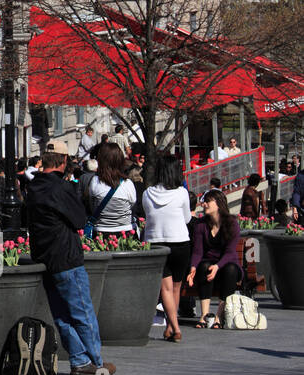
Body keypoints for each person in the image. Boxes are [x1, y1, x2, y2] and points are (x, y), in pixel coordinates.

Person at [25, 146, 116, 375]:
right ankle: (95, 361)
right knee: (82, 312)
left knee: (61, 316)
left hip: (44, 257)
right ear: (63, 161)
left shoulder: (33, 186)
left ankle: (79, 360)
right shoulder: (62, 188)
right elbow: (78, 219)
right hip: (66, 257)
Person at [142, 153, 193, 343]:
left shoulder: (147, 193)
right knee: (177, 288)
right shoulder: (181, 193)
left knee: (165, 288)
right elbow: (187, 218)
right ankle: (173, 327)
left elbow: (147, 214)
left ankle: (173, 327)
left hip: (156, 242)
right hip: (180, 241)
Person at [187, 189, 242, 330]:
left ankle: (219, 316)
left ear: (218, 204)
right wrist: (193, 267)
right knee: (203, 266)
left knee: (230, 270)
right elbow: (198, 251)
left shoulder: (231, 224)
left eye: (207, 201)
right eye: (204, 201)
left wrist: (218, 266)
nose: (203, 204)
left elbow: (230, 252)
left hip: (227, 263)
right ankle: (204, 315)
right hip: (209, 264)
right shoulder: (200, 225)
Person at [83, 141, 138, 238]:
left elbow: (92, 205)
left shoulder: (95, 182)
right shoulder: (128, 184)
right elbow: (132, 205)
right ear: (120, 160)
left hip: (100, 233)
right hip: (126, 233)